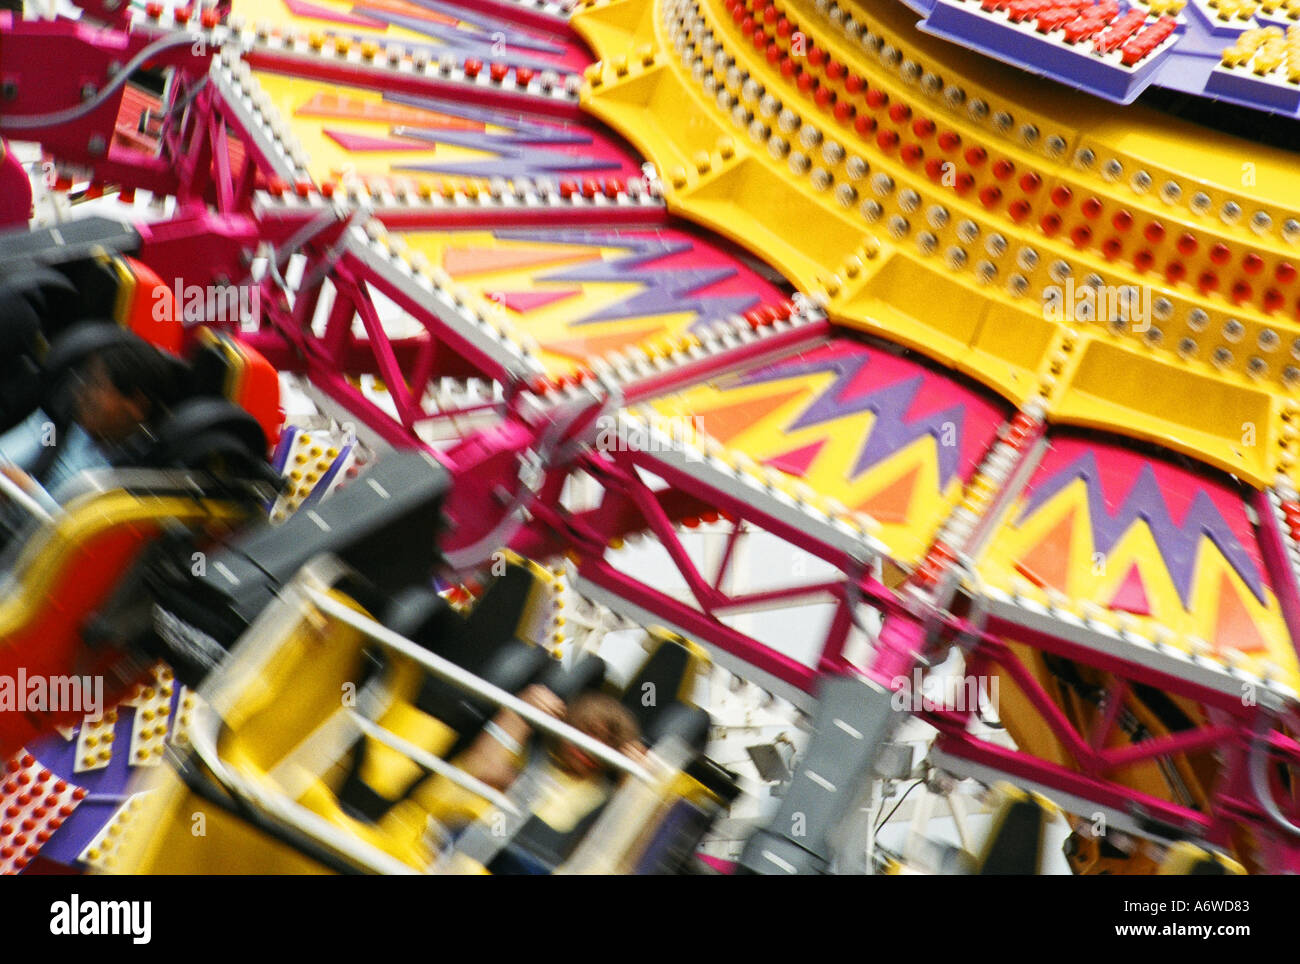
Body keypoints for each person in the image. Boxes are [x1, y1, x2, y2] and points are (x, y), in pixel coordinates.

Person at [0, 336, 178, 519]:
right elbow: (11, 453)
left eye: (98, 385)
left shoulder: (131, 477)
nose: (83, 392)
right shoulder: (58, 426)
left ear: (136, 406)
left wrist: (31, 492)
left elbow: (85, 534)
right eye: (87, 379)